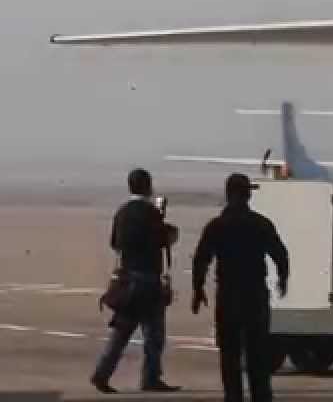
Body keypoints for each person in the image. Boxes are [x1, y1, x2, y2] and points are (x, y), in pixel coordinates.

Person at [192, 173, 290, 402]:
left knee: (230, 355)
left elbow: (201, 259)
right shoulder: (260, 223)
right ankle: (261, 396)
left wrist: (198, 290)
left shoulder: (216, 226)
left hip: (228, 296)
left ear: (227, 194)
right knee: (258, 353)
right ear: (248, 195)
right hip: (255, 296)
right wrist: (283, 279)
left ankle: (233, 396)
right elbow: (280, 254)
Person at [91, 168, 181, 394]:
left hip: (127, 280)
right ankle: (150, 378)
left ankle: (102, 373)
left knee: (121, 332)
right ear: (148, 186)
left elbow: (115, 243)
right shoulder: (149, 213)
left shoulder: (122, 212)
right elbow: (162, 239)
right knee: (154, 335)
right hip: (147, 281)